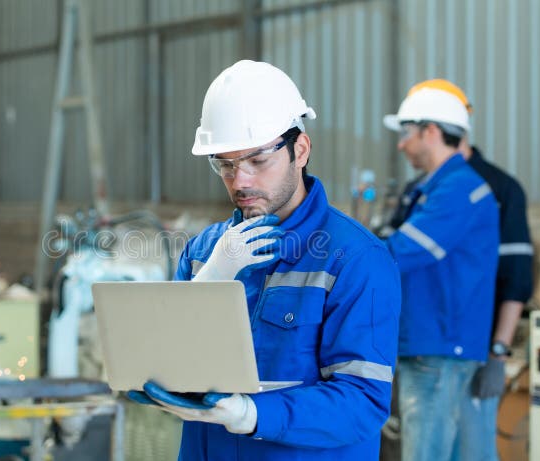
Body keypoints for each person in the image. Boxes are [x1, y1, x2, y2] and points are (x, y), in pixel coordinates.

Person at [128, 60, 401, 460]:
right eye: (226, 164)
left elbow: (362, 402)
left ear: (300, 150)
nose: (240, 181)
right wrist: (207, 285)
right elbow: (166, 368)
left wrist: (253, 414)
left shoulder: (355, 259)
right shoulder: (204, 252)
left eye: (257, 161)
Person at [382, 79, 534, 461]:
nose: (401, 144)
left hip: (438, 346)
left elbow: (398, 253)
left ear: (431, 131)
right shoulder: (435, 189)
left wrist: (333, 250)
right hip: (442, 344)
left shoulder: (458, 191)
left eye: (406, 133)